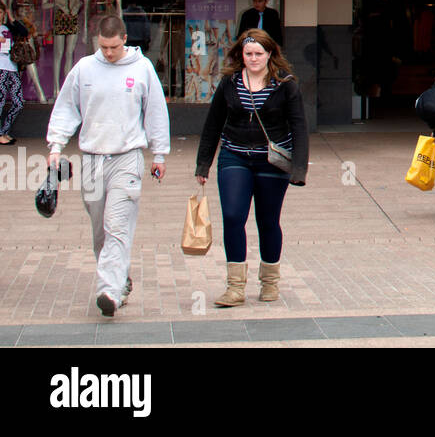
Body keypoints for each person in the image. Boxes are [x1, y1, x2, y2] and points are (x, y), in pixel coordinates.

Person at [46, 16, 171, 317]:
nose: (109, 53)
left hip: (126, 157)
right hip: (91, 157)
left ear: (124, 39)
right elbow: (66, 108)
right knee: (100, 232)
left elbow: (155, 110)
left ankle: (109, 292)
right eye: (104, 47)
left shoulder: (142, 69)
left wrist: (160, 154)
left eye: (114, 47)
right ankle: (120, 280)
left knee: (117, 226)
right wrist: (55, 146)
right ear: (97, 41)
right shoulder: (85, 69)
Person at [194, 29, 308, 308]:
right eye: (248, 54)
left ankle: (269, 281)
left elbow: (299, 127)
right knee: (233, 216)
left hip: (272, 161)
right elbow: (213, 124)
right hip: (234, 157)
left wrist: (299, 169)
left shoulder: (285, 84)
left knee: (267, 221)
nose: (253, 58)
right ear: (240, 55)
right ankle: (235, 287)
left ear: (270, 54)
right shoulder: (229, 83)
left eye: (259, 53)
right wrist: (203, 163)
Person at [0, 0, 28, 145]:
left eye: (0, 12)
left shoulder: (7, 27)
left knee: (18, 102)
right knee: (0, 100)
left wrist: (11, 18)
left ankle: (4, 131)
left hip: (12, 67)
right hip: (0, 68)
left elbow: (24, 32)